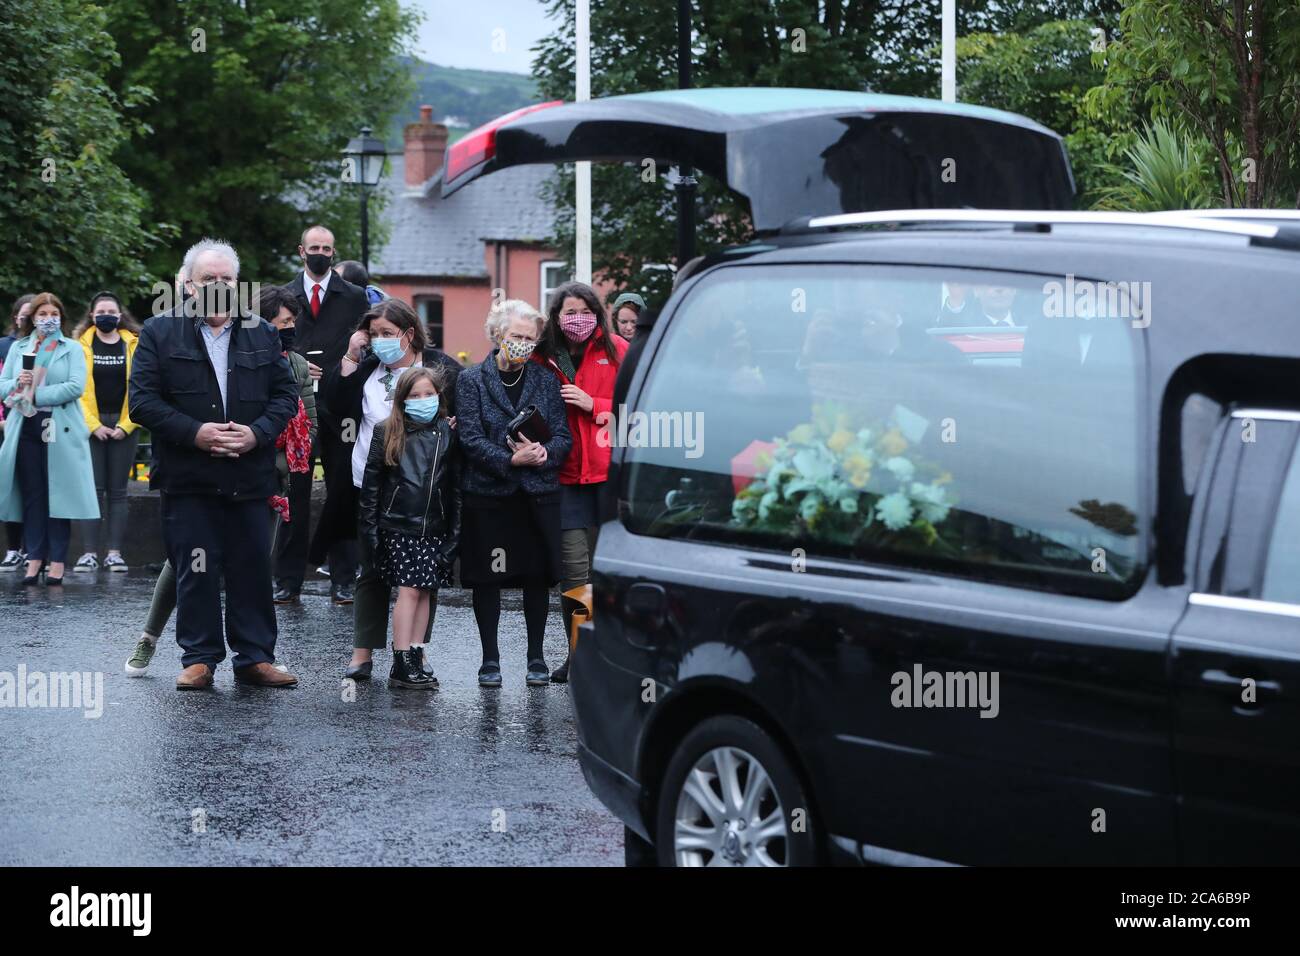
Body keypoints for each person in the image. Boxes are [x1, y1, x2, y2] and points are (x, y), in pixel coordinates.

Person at [128, 238, 299, 690]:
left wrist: (257, 433)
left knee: (251, 568)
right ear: (187, 285)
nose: (219, 286)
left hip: (250, 473)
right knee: (196, 568)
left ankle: (255, 658)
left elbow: (286, 396)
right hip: (190, 476)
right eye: (209, 279)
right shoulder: (159, 332)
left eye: (227, 279)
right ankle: (200, 659)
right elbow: (142, 402)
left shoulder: (262, 332)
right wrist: (196, 433)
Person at [325, 297, 461, 680]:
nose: (379, 341)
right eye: (373, 334)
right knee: (371, 568)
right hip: (369, 484)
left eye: (387, 334)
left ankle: (415, 652)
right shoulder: (368, 367)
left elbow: (457, 419)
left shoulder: (442, 368)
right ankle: (362, 652)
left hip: (424, 490)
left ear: (409, 333)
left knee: (423, 575)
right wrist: (350, 358)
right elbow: (333, 405)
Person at [455, 298, 571, 687]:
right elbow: (469, 439)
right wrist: (510, 461)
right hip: (489, 495)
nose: (522, 343)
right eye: (516, 336)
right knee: (488, 579)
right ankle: (490, 660)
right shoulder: (471, 380)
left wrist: (543, 453)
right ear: (497, 335)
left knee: (536, 578)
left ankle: (536, 658)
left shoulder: (547, 380)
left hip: (537, 494)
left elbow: (562, 437)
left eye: (529, 338)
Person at [534, 282, 627, 682]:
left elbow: (645, 403)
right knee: (575, 576)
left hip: (609, 478)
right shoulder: (541, 356)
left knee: (609, 572)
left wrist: (597, 406)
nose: (578, 320)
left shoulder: (618, 350)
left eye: (586, 311)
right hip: (565, 477)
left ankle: (613, 657)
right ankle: (579, 655)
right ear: (556, 317)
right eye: (569, 312)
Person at [357, 366, 459, 689]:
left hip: (434, 528)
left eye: (429, 394)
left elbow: (455, 488)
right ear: (402, 400)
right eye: (414, 396)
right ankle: (400, 660)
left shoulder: (448, 433)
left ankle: (416, 653)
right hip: (399, 526)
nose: (423, 400)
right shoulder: (387, 431)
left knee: (426, 590)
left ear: (439, 397)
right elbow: (371, 488)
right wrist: (371, 533)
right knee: (409, 591)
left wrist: (455, 534)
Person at [289, 224, 369, 604]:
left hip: (341, 405)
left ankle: (343, 577)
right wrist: (297, 363)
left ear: (333, 253)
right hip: (297, 404)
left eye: (327, 247)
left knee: (342, 490)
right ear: (301, 251)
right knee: (294, 490)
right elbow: (266, 341)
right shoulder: (282, 296)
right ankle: (288, 578)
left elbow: (365, 343)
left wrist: (343, 365)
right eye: (314, 247)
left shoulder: (354, 297)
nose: (321, 252)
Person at [0, 293, 99, 585]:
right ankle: (34, 558)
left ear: (61, 317)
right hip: (25, 424)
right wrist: (20, 384)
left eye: (52, 313)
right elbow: (3, 385)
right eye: (41, 314)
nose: (47, 319)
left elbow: (74, 387)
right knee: (32, 495)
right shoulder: (19, 348)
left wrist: (36, 395)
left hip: (57, 424)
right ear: (32, 318)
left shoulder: (71, 348)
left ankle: (56, 560)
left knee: (58, 494)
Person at [257, 285, 319, 603]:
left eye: (293, 321)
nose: (290, 328)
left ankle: (281, 585)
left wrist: (286, 460)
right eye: (283, 323)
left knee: (280, 530)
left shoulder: (297, 364)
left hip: (284, 465)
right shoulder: (244, 360)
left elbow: (310, 420)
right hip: (250, 461)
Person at [72, 292, 142, 573]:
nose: (106, 316)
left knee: (118, 492)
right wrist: (94, 425)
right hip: (90, 426)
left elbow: (143, 386)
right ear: (92, 315)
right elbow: (76, 389)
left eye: (111, 311)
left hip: (126, 425)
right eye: (101, 311)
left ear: (120, 314)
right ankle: (89, 553)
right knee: (92, 491)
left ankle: (114, 553)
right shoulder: (79, 346)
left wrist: (125, 426)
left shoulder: (134, 344)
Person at [0, 293, 34, 571]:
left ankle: (32, 550)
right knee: (10, 488)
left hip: (36, 425)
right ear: (16, 317)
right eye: (24, 313)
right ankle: (13, 548)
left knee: (34, 488)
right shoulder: (6, 346)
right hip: (8, 422)